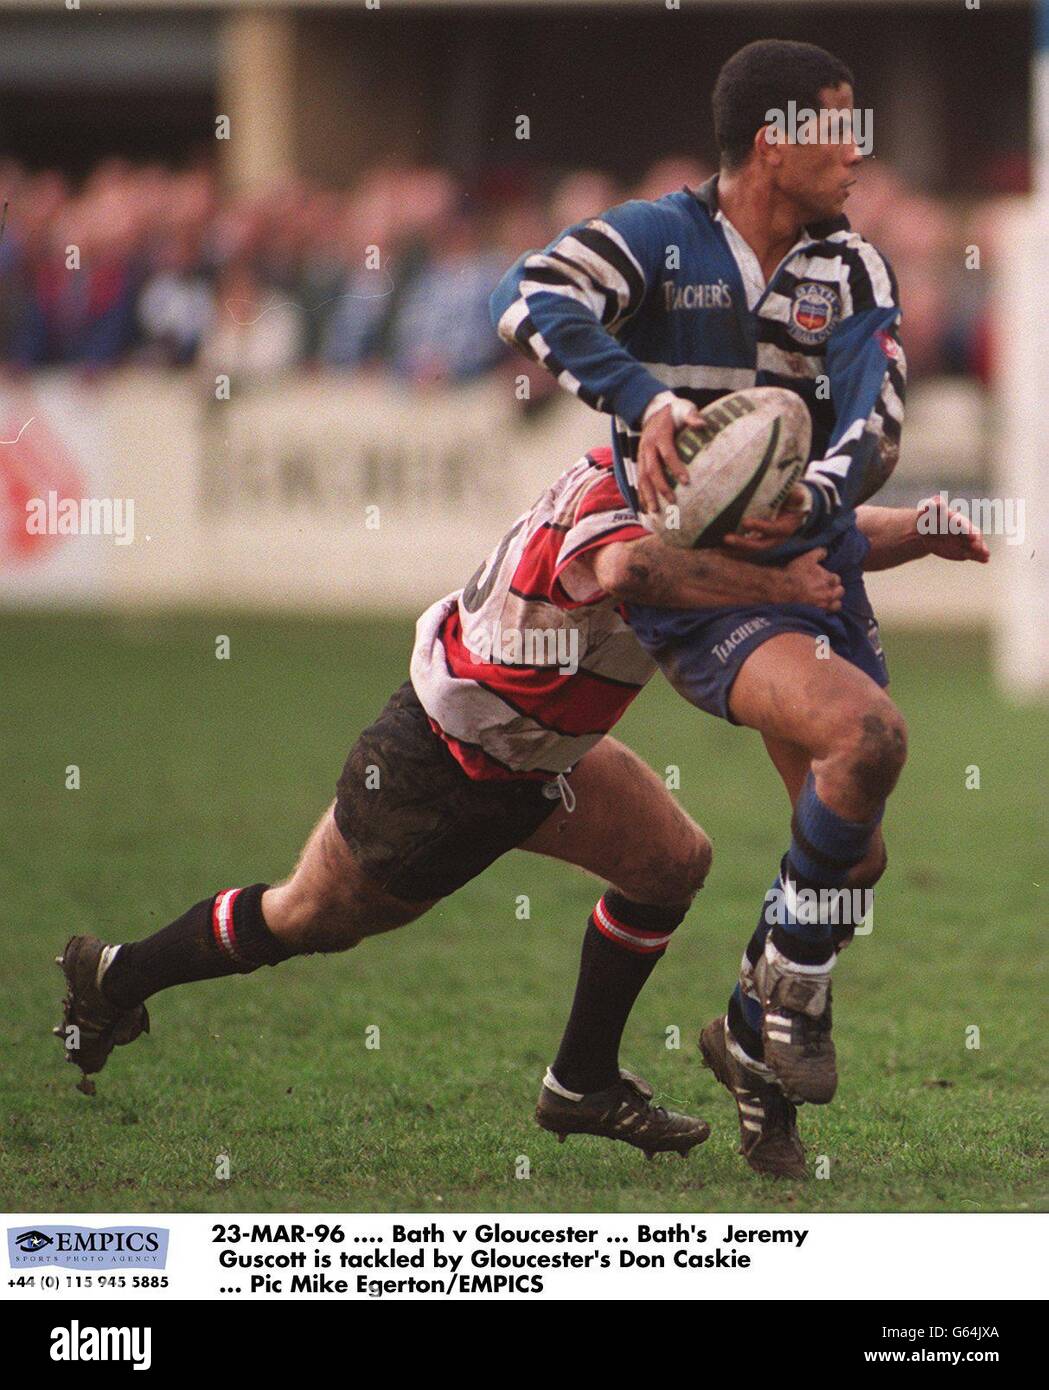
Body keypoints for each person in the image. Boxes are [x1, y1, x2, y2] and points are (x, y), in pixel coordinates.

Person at [54, 439, 982, 1172]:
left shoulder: (675, 485)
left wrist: (921, 531)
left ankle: (579, 1081)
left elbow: (812, 538)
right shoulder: (612, 505)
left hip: (543, 752)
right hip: (443, 763)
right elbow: (631, 576)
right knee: (307, 917)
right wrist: (779, 588)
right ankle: (116, 976)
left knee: (670, 862)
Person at [490, 39, 989, 1173]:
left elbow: (880, 417)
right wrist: (642, 398)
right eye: (837, 128)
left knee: (849, 854)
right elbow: (525, 292)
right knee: (863, 736)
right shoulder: (657, 241)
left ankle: (748, 1033)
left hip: (819, 569)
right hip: (709, 590)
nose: (858, 153)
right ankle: (793, 1006)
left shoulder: (850, 269)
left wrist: (815, 494)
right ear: (774, 137)